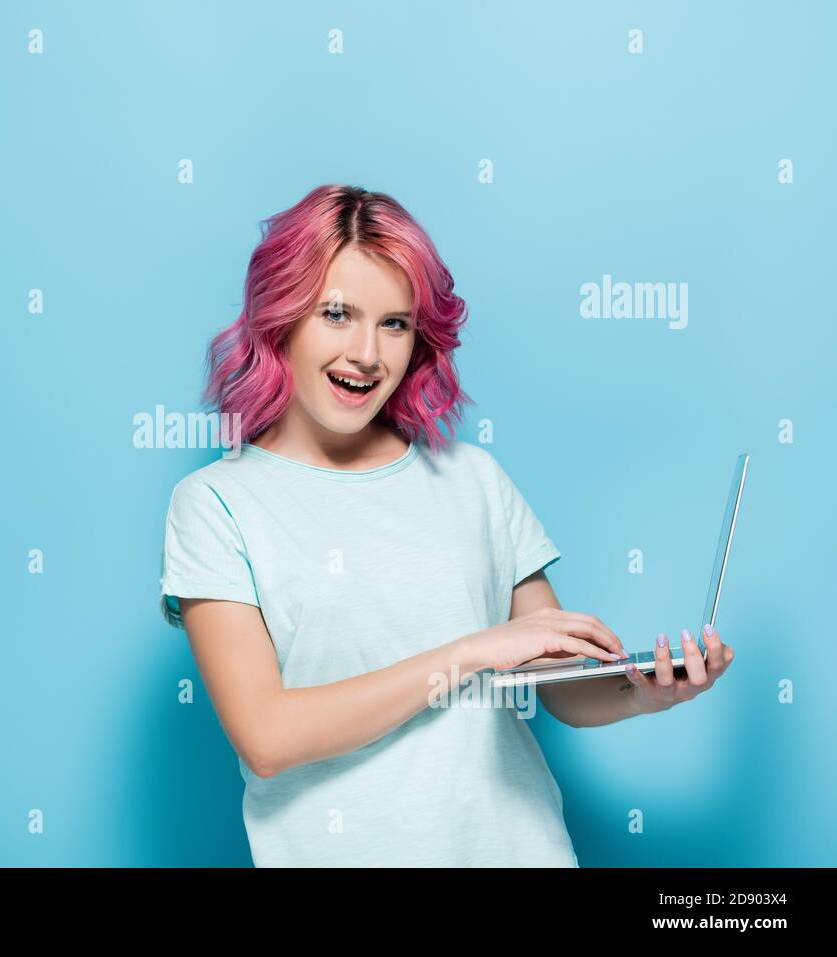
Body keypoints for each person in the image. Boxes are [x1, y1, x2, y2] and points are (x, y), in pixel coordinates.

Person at [157, 184, 736, 867]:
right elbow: (267, 736)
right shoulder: (215, 504)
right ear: (280, 316)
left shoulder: (473, 479)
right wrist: (472, 652)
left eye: (394, 324)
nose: (366, 353)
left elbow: (555, 686)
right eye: (337, 314)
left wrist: (645, 692)